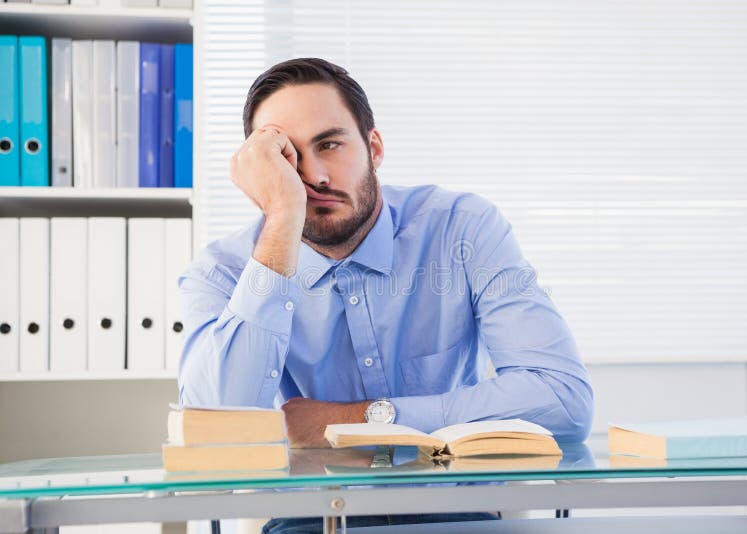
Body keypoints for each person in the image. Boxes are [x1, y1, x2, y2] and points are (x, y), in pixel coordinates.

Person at [178, 57, 594, 532]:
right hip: (313, 516)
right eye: (286, 158)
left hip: (449, 507)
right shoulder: (224, 271)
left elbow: (563, 400)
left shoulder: (462, 231)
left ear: (373, 147)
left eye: (329, 144)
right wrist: (281, 222)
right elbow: (213, 438)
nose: (313, 177)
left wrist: (364, 419)